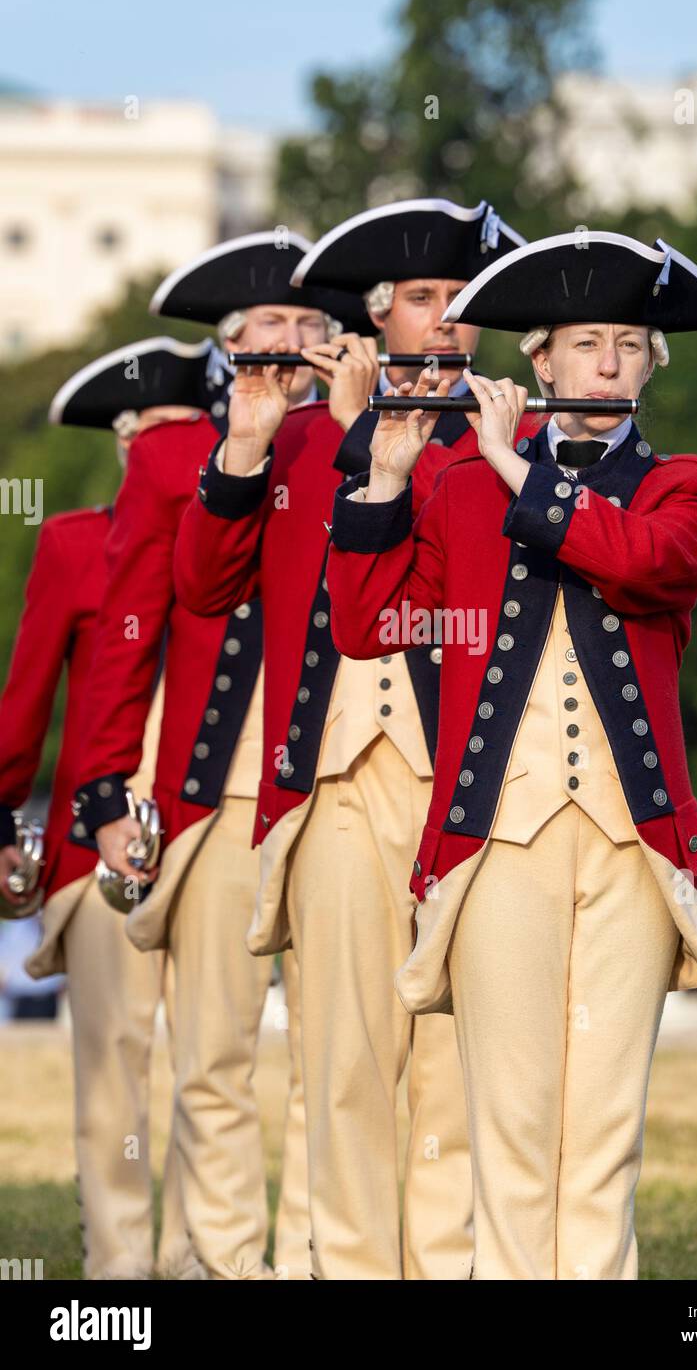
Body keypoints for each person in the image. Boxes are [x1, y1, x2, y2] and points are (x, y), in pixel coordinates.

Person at [325, 230, 697, 1280]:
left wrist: (513, 468)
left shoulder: (685, 486)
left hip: (631, 844)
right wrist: (380, 478)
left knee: (601, 1137)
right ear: (539, 362)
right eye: (583, 343)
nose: (606, 364)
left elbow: (646, 566)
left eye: (628, 345)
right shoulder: (456, 485)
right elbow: (372, 624)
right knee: (509, 1130)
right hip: (494, 841)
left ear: (650, 367)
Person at [174, 198, 527, 1280]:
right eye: (424, 299)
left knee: (456, 1074)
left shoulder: (509, 449)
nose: (448, 322)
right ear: (375, 317)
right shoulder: (301, 437)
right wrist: (247, 437)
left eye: (463, 303)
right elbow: (201, 583)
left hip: (464, 787)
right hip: (330, 785)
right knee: (342, 1064)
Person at [70, 232, 368, 1280]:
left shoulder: (373, 437)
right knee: (216, 1058)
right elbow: (126, 628)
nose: (292, 344)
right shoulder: (171, 456)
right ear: (228, 345)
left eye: (309, 325)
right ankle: (224, 1267)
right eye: (270, 328)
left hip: (349, 778)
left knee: (341, 1057)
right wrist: (107, 786)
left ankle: (322, 1260)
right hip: (222, 788)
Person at [0, 336, 223, 1278]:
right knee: (113, 1072)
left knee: (215, 1064)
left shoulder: (240, 541)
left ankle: (200, 1257)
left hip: (212, 827)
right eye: (157, 436)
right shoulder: (73, 543)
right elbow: (26, 701)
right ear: (128, 443)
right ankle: (120, 1268)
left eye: (191, 437)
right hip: (98, 848)